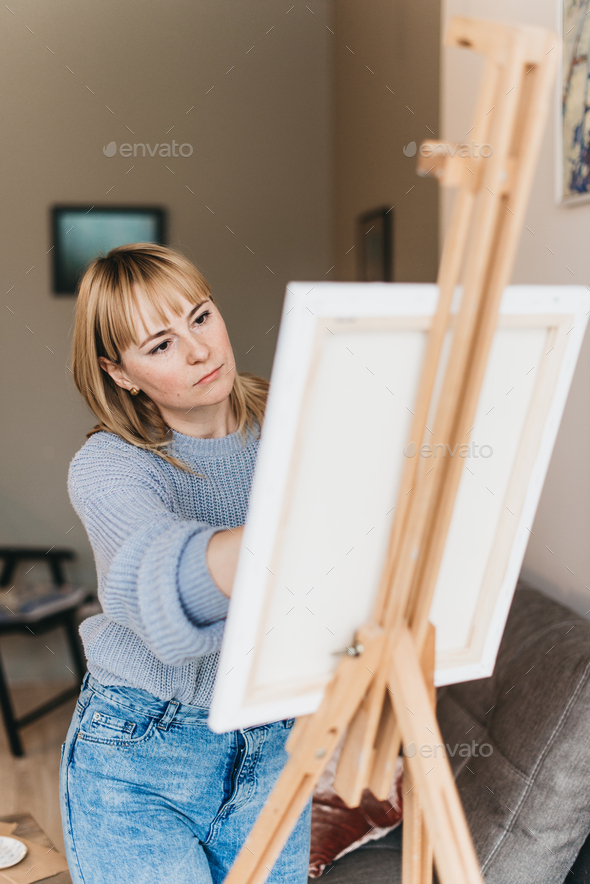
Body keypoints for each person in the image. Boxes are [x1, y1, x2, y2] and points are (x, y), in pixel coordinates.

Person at [59, 243, 311, 884]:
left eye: (200, 317)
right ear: (121, 374)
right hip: (142, 754)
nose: (200, 351)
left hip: (275, 742)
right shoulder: (110, 466)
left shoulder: (298, 417)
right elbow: (155, 577)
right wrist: (294, 533)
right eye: (160, 344)